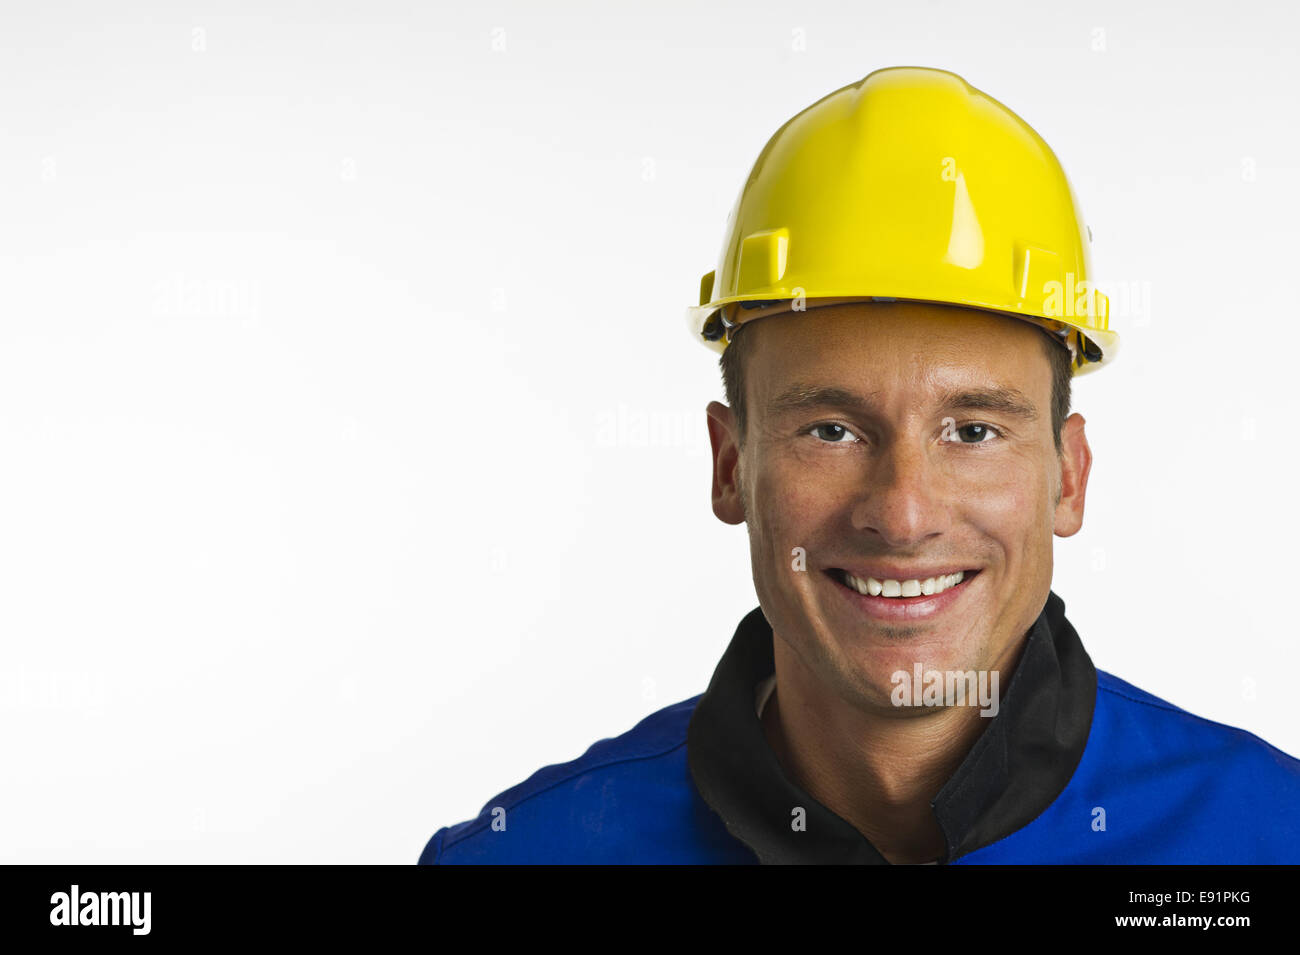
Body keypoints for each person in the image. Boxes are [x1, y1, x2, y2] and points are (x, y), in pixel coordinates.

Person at [420, 66, 1300, 864]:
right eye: (832, 430)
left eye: (975, 430)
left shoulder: (1266, 836)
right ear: (731, 464)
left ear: (1069, 478)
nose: (905, 513)